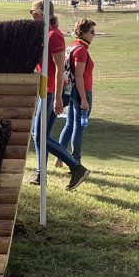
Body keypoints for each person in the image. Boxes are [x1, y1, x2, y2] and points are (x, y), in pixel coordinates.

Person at [28, 0, 91, 191]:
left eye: (31, 11)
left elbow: (58, 69)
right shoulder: (45, 33)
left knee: (39, 135)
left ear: (40, 12)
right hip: (43, 90)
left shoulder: (54, 36)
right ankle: (40, 173)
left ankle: (76, 167)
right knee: (39, 134)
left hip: (51, 91)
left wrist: (56, 97)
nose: (30, 14)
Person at [59, 18, 96, 166]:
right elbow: (79, 76)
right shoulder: (81, 50)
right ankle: (75, 161)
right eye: (92, 32)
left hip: (71, 90)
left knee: (69, 124)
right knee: (78, 127)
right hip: (82, 92)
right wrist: (84, 100)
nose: (94, 35)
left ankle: (59, 158)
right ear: (83, 33)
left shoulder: (73, 45)